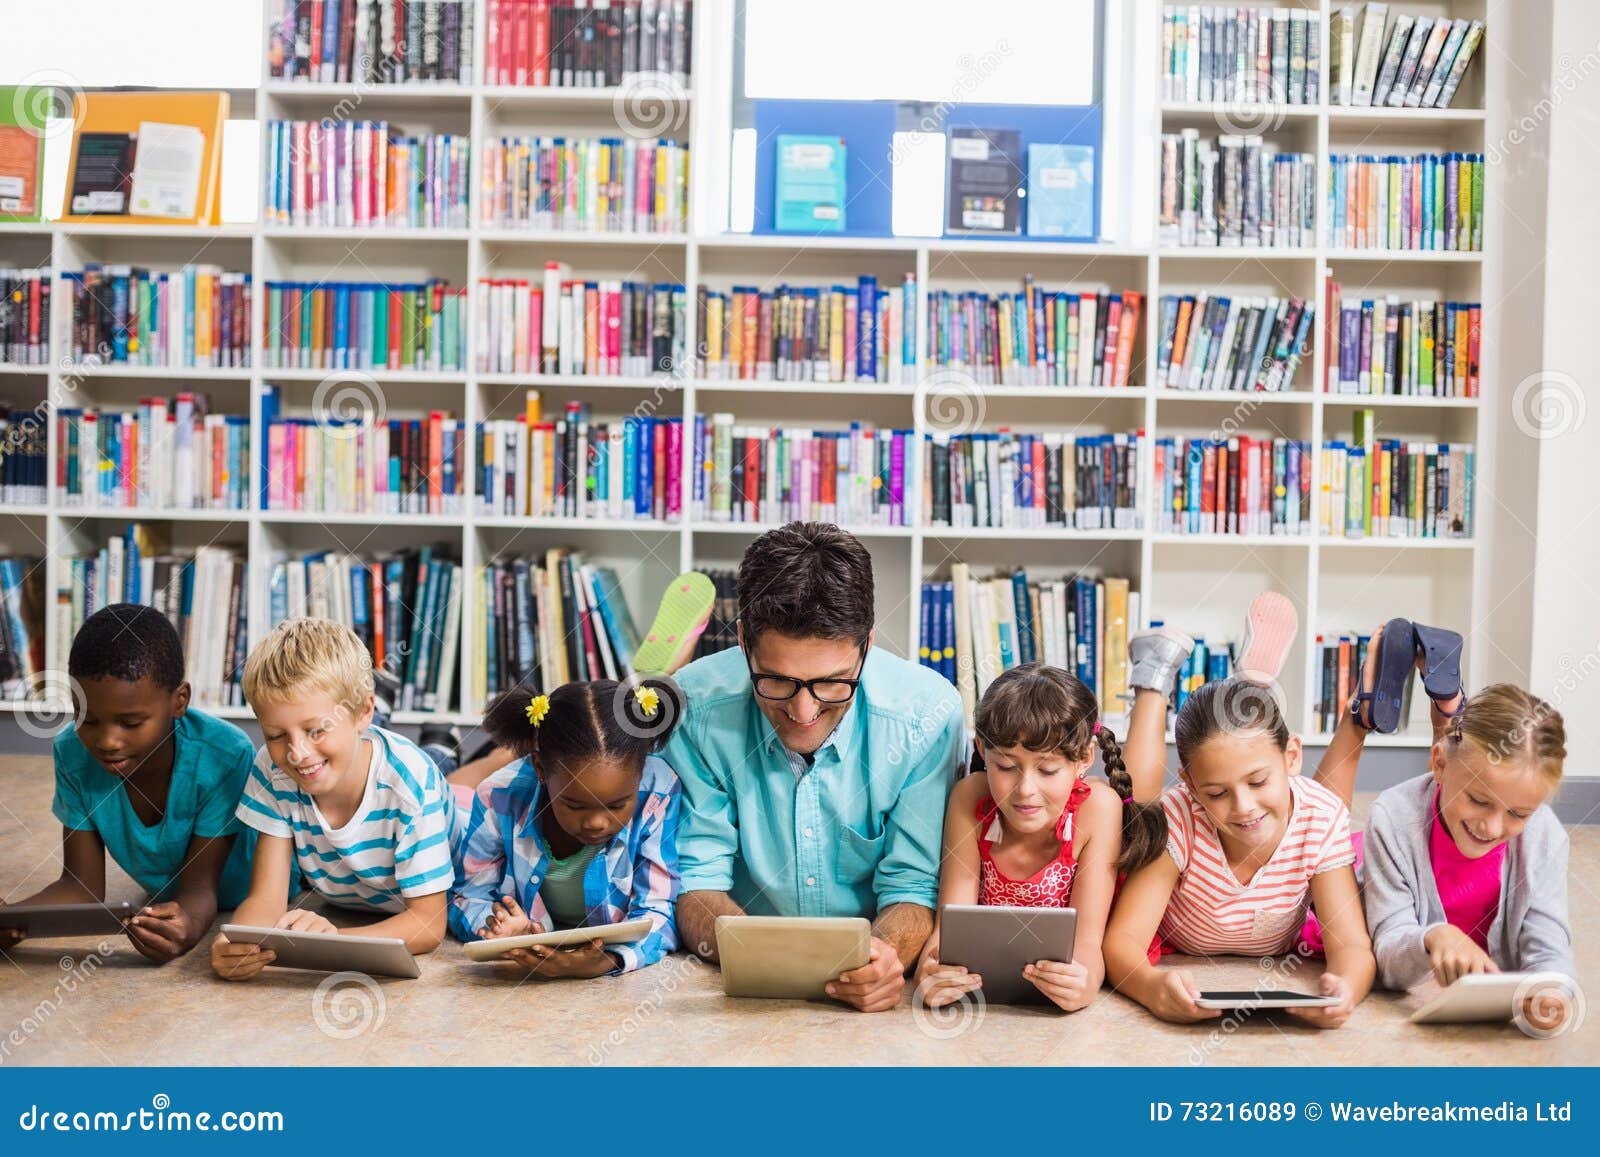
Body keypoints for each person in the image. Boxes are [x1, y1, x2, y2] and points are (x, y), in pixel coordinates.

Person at [665, 522, 965, 1013]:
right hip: (734, 991)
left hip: (873, 997)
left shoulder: (928, 716)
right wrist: (765, 961)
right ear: (743, 641)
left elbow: (913, 885)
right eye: (777, 681)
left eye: (832, 683)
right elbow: (697, 883)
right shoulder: (693, 707)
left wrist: (886, 955)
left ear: (866, 645)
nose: (803, 713)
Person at [1104, 595, 1374, 1027]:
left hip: (1278, 942)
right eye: (1216, 792)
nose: (1243, 808)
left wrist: (1346, 989)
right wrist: (1152, 988)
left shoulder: (1320, 816)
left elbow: (1353, 948)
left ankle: (1253, 688)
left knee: (1300, 793)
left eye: (1258, 782)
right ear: (1190, 784)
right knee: (1133, 809)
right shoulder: (1181, 816)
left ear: (1292, 757)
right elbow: (1122, 942)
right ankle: (1153, 683)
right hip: (1181, 940)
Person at [1320, 622, 1575, 1001]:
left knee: (1450, 793)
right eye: (1480, 800)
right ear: (1436, 763)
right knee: (1316, 836)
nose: (1492, 826)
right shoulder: (1392, 818)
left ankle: (1450, 708)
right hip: (1369, 864)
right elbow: (1387, 956)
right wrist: (1432, 936)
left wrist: (1553, 991)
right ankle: (1361, 714)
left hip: (1437, 799)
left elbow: (1551, 946)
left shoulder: (1544, 834)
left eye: (1518, 814)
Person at [1, 604, 262, 963]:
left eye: (131, 722)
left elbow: (200, 887)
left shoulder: (225, 755)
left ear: (179, 701)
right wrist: (12, 919)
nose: (107, 741)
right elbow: (81, 886)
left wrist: (188, 928)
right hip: (169, 899)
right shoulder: (72, 752)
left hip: (253, 895)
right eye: (87, 719)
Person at [210, 618, 461, 980]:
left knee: (446, 770)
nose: (296, 753)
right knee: (332, 758)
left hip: (445, 815)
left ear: (362, 712)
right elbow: (267, 898)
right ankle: (389, 719)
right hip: (352, 784)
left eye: (315, 730)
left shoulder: (411, 784)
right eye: (276, 734)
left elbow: (428, 924)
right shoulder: (273, 767)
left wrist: (333, 942)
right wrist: (236, 942)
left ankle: (459, 748)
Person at [914, 663, 1149, 1012]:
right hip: (983, 1003)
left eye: (1048, 769)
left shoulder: (1098, 808)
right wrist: (930, 972)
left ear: (1084, 758)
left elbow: (1088, 941)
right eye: (1005, 767)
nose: (1025, 790)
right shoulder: (969, 797)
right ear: (981, 750)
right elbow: (947, 931)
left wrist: (1084, 983)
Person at [450, 677, 682, 977]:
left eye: (616, 805)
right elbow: (466, 897)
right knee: (449, 794)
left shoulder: (658, 790)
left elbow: (659, 910)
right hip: (458, 809)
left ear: (642, 770)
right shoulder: (498, 795)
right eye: (574, 805)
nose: (596, 823)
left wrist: (607, 961)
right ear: (540, 768)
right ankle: (446, 753)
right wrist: (501, 929)